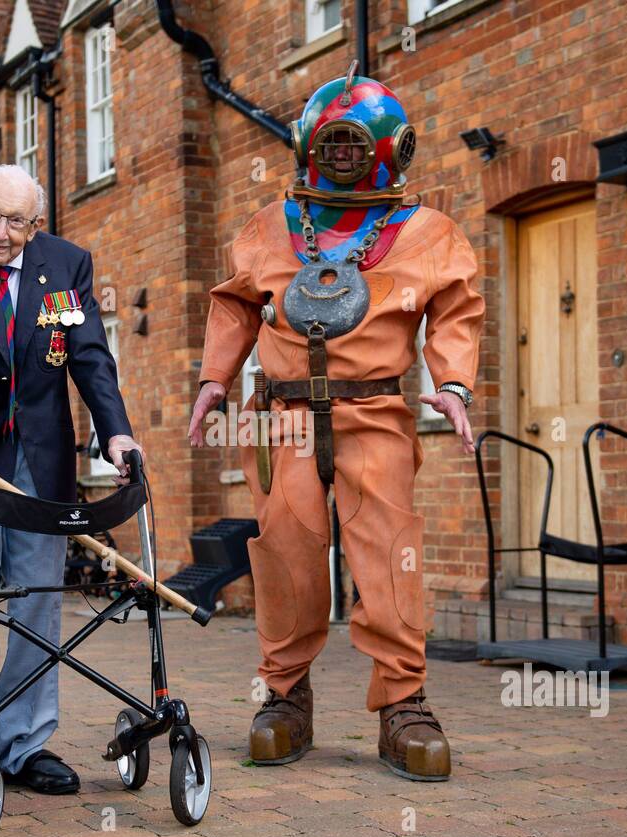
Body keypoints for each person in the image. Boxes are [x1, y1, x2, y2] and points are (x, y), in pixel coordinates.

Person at [188, 69, 484, 781]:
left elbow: (455, 310)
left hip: (375, 410)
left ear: (391, 149)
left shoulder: (428, 234)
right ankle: (284, 695)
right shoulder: (271, 227)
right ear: (309, 145)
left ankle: (403, 703)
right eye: (335, 143)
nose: (344, 156)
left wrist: (451, 383)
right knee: (286, 551)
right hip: (284, 413)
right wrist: (213, 379)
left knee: (387, 554)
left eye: (355, 145)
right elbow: (234, 305)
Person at [0, 163, 143, 796]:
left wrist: (114, 429)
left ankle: (24, 742)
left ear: (36, 225)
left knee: (38, 600)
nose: (1, 232)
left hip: (40, 459)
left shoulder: (67, 264)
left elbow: (90, 353)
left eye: (17, 221)